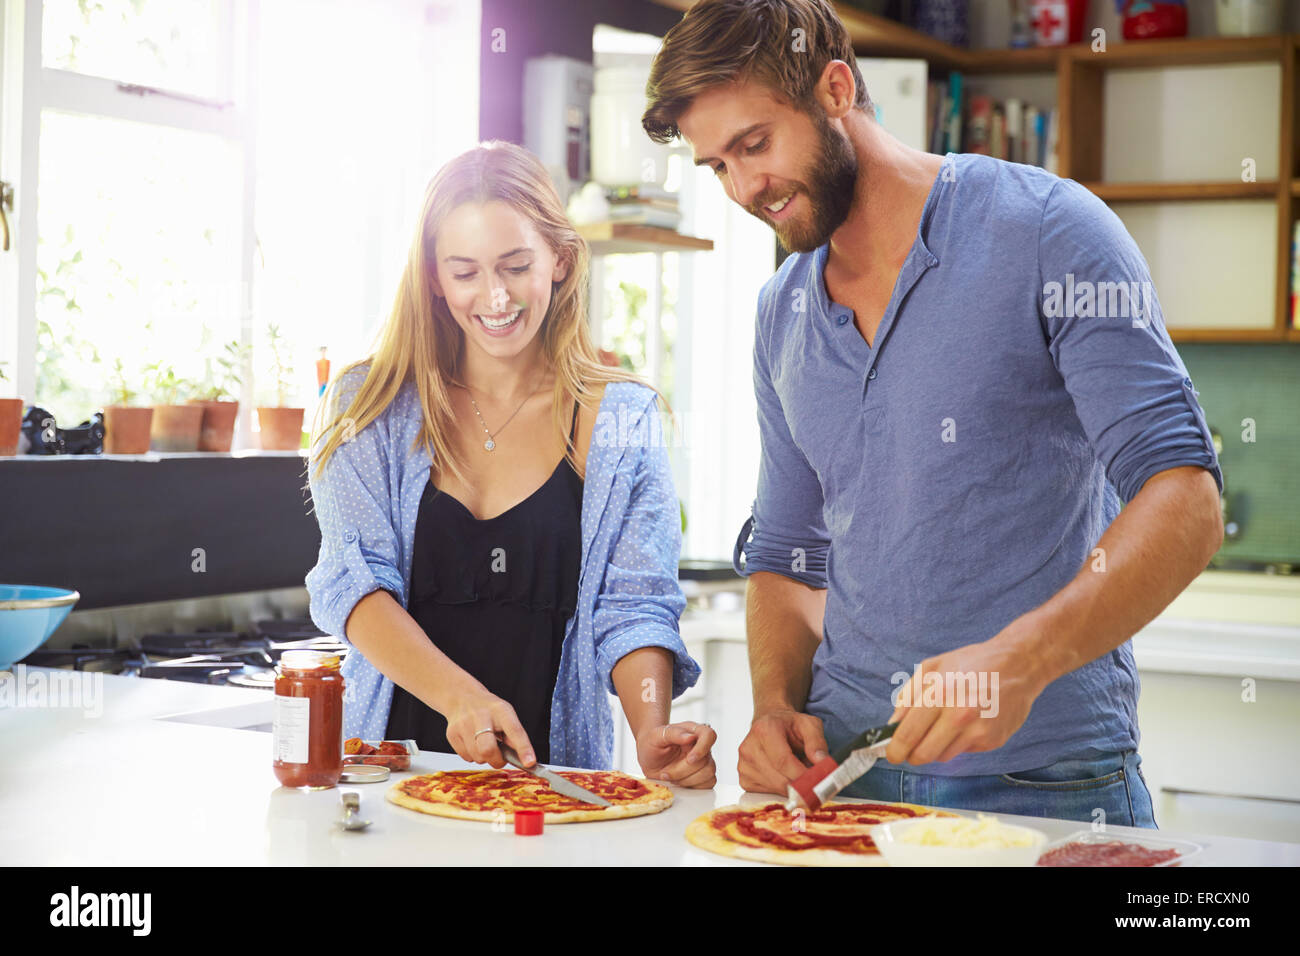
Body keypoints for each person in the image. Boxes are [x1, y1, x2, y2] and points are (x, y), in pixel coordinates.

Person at [642, 0, 1223, 823]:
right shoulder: (782, 312)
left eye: (755, 144)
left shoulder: (1052, 232)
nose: (745, 188)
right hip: (844, 790)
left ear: (835, 88)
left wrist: (1022, 660)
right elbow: (789, 552)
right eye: (717, 168)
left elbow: (1187, 498)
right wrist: (774, 703)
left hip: (1047, 785)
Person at [304, 140, 716, 787]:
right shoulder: (366, 406)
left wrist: (652, 730)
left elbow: (635, 606)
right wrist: (461, 699)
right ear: (435, 280)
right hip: (385, 783)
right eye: (465, 272)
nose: (494, 296)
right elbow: (354, 584)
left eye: (515, 265)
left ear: (559, 258)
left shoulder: (621, 420)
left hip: (551, 790)